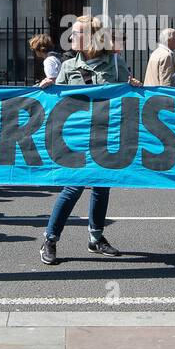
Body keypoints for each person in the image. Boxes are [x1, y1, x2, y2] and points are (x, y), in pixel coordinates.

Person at [39, 15, 139, 265]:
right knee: (73, 187)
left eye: (78, 32)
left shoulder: (115, 64)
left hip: (105, 135)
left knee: (102, 187)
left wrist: (136, 87)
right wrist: (47, 86)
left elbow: (128, 97)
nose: (72, 37)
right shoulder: (67, 67)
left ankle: (96, 237)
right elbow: (56, 102)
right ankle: (50, 238)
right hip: (77, 138)